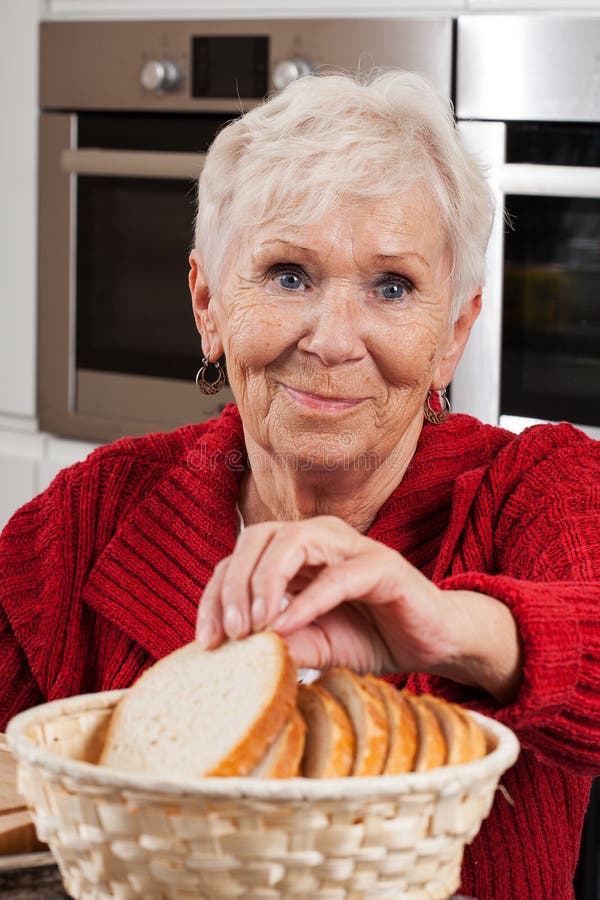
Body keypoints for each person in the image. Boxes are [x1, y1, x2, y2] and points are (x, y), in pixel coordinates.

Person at [0, 70, 598, 900]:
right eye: (288, 274)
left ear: (453, 333)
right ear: (208, 303)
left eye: (392, 287)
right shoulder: (89, 515)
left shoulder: (538, 486)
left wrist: (452, 626)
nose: (333, 340)